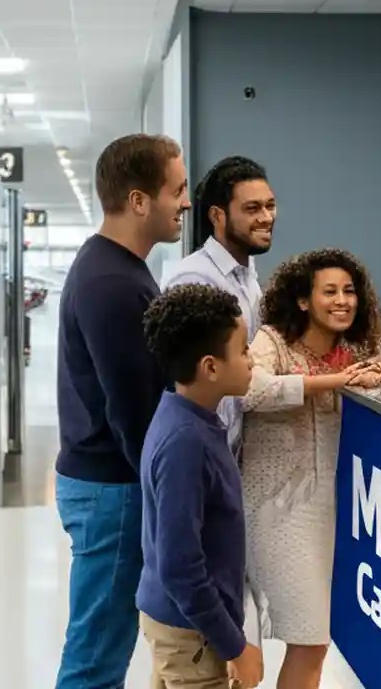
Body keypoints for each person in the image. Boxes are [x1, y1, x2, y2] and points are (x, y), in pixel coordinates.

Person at [241, 248, 381, 688]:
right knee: (305, 640)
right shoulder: (273, 340)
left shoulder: (354, 347)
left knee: (313, 641)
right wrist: (338, 381)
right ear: (304, 300)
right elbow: (251, 389)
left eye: (349, 291)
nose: (343, 300)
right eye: (330, 292)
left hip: (331, 512)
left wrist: (376, 372)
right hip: (278, 510)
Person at [54, 133, 190, 689]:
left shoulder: (117, 268)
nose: (185, 202)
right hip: (113, 489)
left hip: (108, 485)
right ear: (139, 201)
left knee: (102, 646)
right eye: (177, 190)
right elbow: (133, 413)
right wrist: (169, 498)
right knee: (96, 658)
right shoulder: (112, 282)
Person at [137, 284, 263, 689]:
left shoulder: (188, 418)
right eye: (243, 350)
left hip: (182, 623)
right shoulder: (185, 443)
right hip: (190, 635)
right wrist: (234, 646)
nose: (251, 360)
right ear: (210, 367)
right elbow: (180, 566)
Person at [163, 156, 277, 457]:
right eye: (252, 208)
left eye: (270, 205)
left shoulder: (248, 275)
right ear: (218, 216)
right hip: (204, 450)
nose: (266, 217)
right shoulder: (194, 278)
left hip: (233, 447)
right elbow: (191, 380)